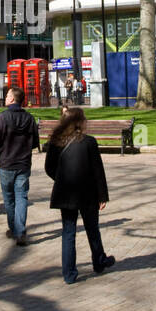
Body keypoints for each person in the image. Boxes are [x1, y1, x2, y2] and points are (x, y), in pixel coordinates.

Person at [44, 107, 115, 285]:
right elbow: (98, 171)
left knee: (68, 232)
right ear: (79, 122)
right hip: (88, 192)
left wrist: (61, 179)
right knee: (92, 229)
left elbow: (49, 168)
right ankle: (99, 261)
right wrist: (102, 195)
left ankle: (69, 273)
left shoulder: (56, 142)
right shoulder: (89, 142)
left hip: (66, 192)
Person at [0, 85, 40, 246]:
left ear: (12, 99)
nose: (5, 97)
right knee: (22, 197)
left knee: (9, 199)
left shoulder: (2, 118)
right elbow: (35, 142)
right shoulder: (29, 118)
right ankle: (20, 231)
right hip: (23, 163)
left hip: (6, 164)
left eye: (7, 95)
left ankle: (14, 229)